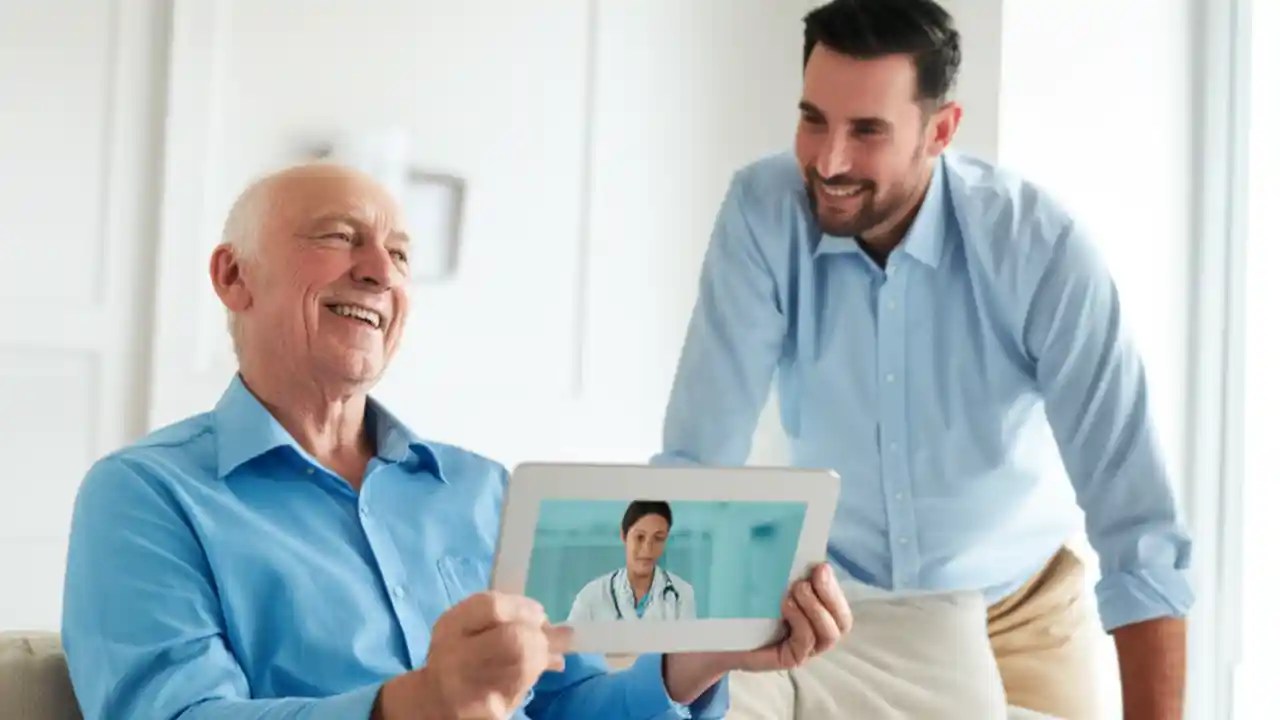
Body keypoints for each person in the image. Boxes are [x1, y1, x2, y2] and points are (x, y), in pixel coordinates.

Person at [60, 163, 855, 720]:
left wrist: (712, 655)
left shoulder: (482, 490)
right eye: (340, 237)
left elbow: (572, 705)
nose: (380, 271)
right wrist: (420, 705)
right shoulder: (145, 496)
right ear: (235, 277)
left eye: (400, 254)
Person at [655, 0, 1192, 717]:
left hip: (1020, 611)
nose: (829, 160)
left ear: (940, 131)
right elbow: (700, 465)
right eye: (813, 118)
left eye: (867, 130)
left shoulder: (1041, 250)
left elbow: (1141, 529)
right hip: (840, 608)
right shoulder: (764, 211)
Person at [567, 501, 698, 622]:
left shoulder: (682, 594)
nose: (648, 549)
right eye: (640, 537)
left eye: (658, 538)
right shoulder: (591, 596)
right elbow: (568, 644)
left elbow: (689, 645)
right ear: (624, 536)